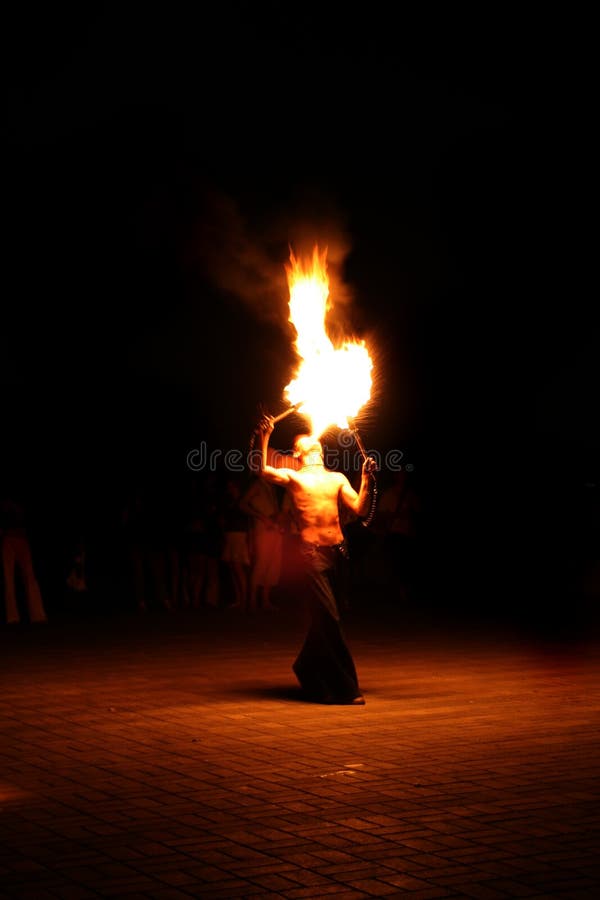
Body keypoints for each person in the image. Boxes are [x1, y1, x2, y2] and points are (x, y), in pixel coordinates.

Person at [258, 416, 376, 705]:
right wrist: (265, 436)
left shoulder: (337, 478)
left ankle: (305, 668)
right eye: (304, 440)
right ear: (298, 453)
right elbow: (263, 471)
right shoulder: (295, 478)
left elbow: (360, 510)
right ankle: (347, 688)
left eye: (315, 438)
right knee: (330, 618)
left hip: (338, 553)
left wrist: (366, 479)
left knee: (326, 618)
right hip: (310, 556)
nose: (313, 437)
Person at [239, 476, 284, 612]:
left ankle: (265, 601)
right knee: (261, 563)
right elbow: (243, 504)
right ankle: (252, 600)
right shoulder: (257, 485)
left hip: (275, 529)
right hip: (262, 529)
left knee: (272, 564)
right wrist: (262, 517)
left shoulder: (271, 487)